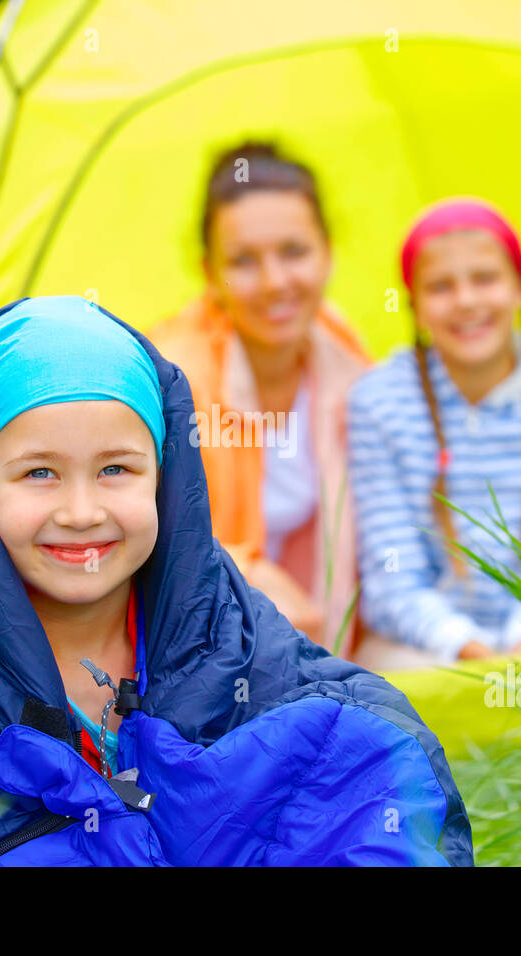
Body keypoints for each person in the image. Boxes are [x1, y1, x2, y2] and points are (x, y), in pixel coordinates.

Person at [0, 295, 472, 866]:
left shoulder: (225, 621)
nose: (82, 512)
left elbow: (361, 757)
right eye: (38, 474)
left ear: (165, 476)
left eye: (117, 470)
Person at [348, 199, 521, 669]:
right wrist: (472, 651)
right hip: (422, 645)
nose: (466, 300)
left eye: (485, 279)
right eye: (441, 287)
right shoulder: (378, 401)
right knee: (389, 694)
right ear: (417, 308)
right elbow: (393, 580)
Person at [147, 142, 371, 653]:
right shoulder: (173, 378)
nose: (274, 283)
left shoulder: (349, 361)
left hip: (328, 646)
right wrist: (251, 582)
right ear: (210, 273)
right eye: (244, 261)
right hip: (199, 649)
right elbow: (158, 541)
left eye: (294, 252)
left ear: (328, 252)